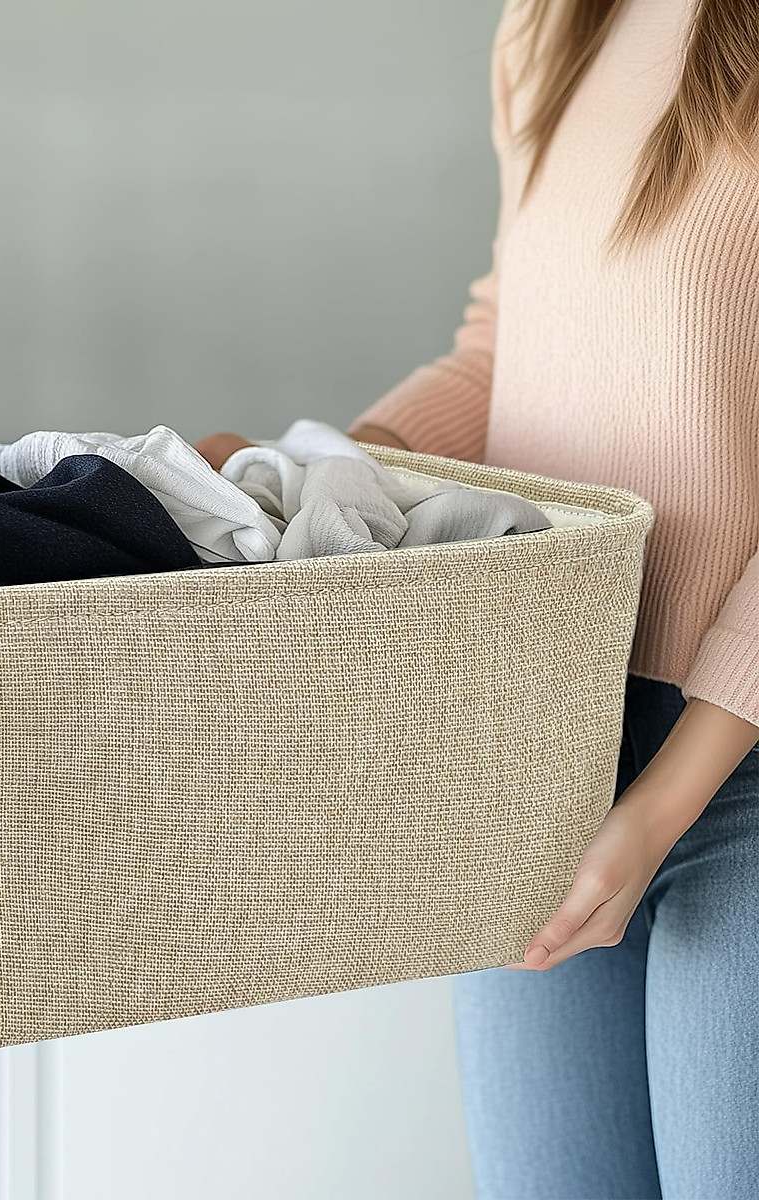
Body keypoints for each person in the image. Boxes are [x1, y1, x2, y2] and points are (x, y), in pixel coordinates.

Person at [196, 0, 759, 1194]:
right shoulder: (553, 23)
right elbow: (508, 345)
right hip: (540, 738)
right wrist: (314, 478)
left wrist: (661, 807)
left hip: (738, 766)